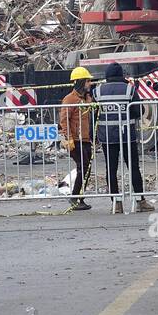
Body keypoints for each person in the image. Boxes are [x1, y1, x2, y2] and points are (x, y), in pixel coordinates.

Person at [94, 63, 156, 214]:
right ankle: (140, 201)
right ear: (121, 74)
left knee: (111, 169)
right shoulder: (129, 89)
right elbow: (138, 110)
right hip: (127, 134)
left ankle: (116, 203)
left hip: (107, 136)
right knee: (133, 167)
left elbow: (94, 114)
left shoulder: (98, 91)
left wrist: (94, 135)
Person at [58, 67, 96, 211]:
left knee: (86, 168)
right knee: (83, 167)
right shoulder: (70, 99)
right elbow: (64, 120)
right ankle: (76, 198)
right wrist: (68, 138)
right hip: (75, 140)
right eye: (87, 81)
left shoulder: (86, 99)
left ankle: (78, 197)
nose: (90, 83)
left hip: (85, 140)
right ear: (80, 82)